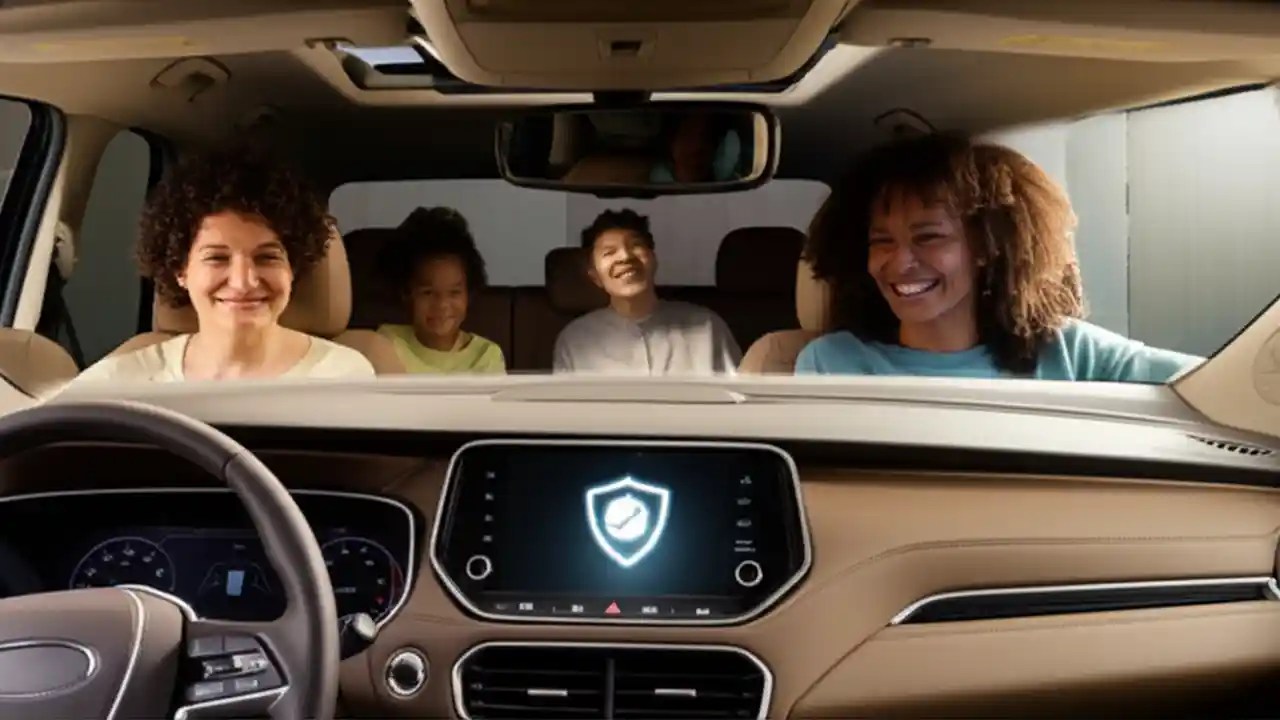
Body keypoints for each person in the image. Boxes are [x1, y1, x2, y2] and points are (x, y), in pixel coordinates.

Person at [795, 133, 1202, 381]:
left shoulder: (1070, 354)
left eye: (929, 237)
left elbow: (1216, 388)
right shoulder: (833, 362)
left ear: (986, 246)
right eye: (882, 241)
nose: (900, 263)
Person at [74, 144, 375, 383]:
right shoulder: (126, 380)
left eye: (267, 257)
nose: (243, 282)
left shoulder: (341, 375)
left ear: (292, 268)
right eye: (217, 258)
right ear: (180, 269)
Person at [553, 209, 741, 374]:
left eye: (635, 245)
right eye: (609, 252)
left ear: (653, 258)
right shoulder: (575, 341)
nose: (625, 256)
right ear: (595, 276)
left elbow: (739, 399)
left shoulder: (707, 327)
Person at [375, 207, 505, 374]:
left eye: (454, 292)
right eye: (428, 293)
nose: (442, 304)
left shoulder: (486, 355)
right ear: (406, 292)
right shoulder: (388, 343)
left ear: (469, 293)